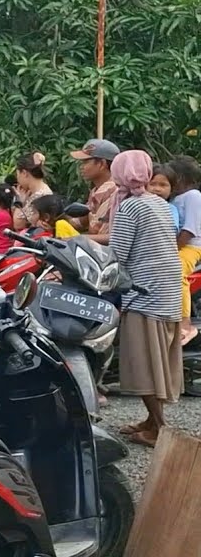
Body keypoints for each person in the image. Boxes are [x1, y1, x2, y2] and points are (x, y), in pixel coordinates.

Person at [108, 150, 184, 448]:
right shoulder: (159, 203)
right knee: (159, 358)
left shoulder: (130, 207)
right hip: (167, 288)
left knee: (144, 362)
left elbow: (117, 256)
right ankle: (151, 421)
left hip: (145, 291)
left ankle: (160, 429)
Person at [168, 156, 201, 343]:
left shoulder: (193, 196)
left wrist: (171, 249)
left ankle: (185, 323)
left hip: (191, 246)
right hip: (179, 244)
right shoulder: (175, 198)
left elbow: (189, 229)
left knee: (176, 270)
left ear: (179, 177)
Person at [71, 139, 120, 242]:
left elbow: (113, 237)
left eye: (86, 162)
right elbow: (82, 222)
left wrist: (75, 239)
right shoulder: (96, 191)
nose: (81, 167)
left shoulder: (114, 193)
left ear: (102, 164)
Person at [13, 152, 53, 231]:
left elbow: (18, 225)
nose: (18, 179)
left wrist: (20, 203)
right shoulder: (36, 192)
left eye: (17, 175)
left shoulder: (40, 195)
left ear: (24, 173)